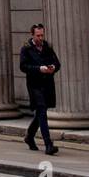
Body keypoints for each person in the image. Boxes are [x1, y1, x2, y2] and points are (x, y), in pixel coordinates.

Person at [19, 23, 60, 155]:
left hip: (47, 84)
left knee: (40, 113)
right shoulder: (26, 49)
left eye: (42, 35)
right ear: (32, 35)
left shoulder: (47, 46)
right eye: (38, 35)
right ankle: (48, 144)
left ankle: (29, 137)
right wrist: (39, 69)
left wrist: (53, 67)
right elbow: (23, 66)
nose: (41, 38)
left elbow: (57, 63)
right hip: (34, 84)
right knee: (42, 110)